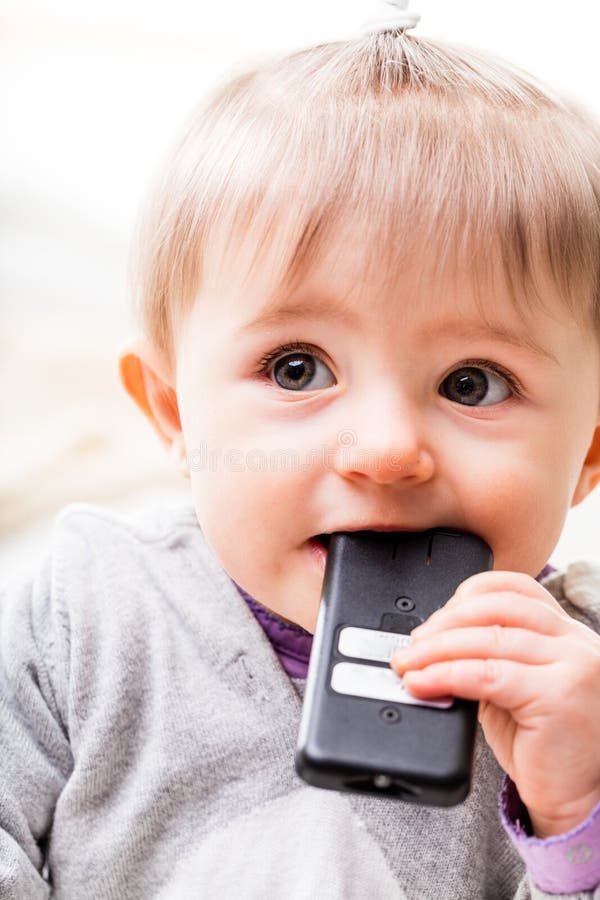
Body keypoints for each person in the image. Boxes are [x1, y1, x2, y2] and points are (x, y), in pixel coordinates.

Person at [2, 7, 600, 898]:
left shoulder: (578, 686)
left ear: (590, 453)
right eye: (296, 368)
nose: (389, 450)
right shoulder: (83, 612)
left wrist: (577, 819)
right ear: (172, 414)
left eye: (472, 382)